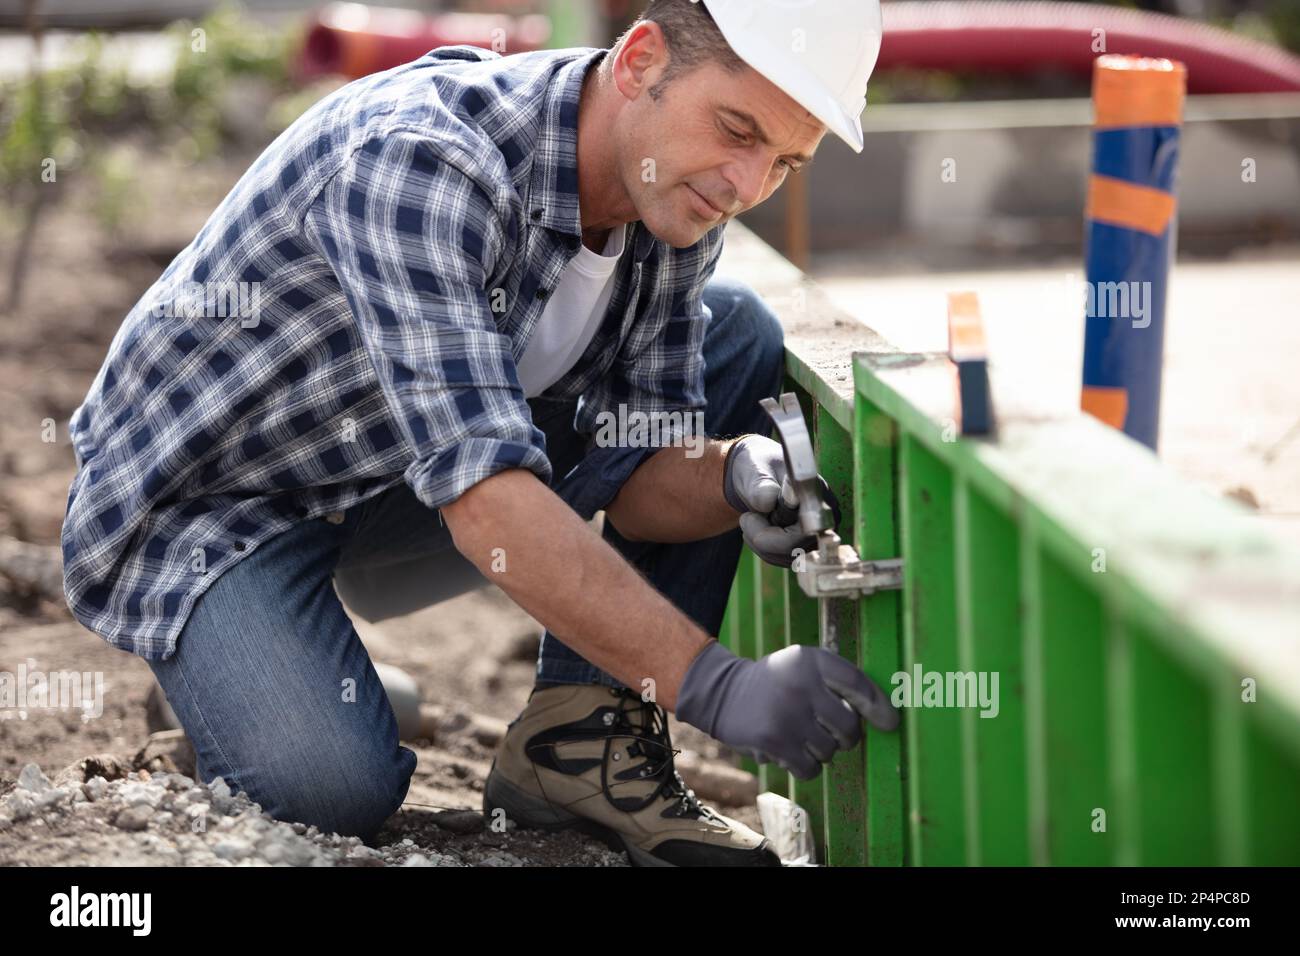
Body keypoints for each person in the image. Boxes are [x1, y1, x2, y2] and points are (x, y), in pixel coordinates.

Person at [61, 0, 895, 867]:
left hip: (386, 471)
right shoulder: (422, 161)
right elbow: (490, 508)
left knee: (737, 333)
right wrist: (723, 687)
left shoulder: (672, 203)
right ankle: (249, 681)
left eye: (785, 162)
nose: (746, 183)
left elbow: (640, 487)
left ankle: (579, 742)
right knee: (333, 792)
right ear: (642, 60)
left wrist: (729, 475)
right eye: (736, 129)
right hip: (214, 503)